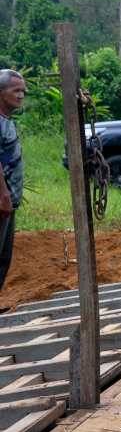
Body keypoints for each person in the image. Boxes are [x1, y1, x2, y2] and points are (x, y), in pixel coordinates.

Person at [0, 69, 26, 291]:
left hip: (9, 202)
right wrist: (3, 194)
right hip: (2, 200)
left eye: (23, 91)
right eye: (16, 90)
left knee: (3, 258)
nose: (21, 95)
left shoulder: (6, 121)